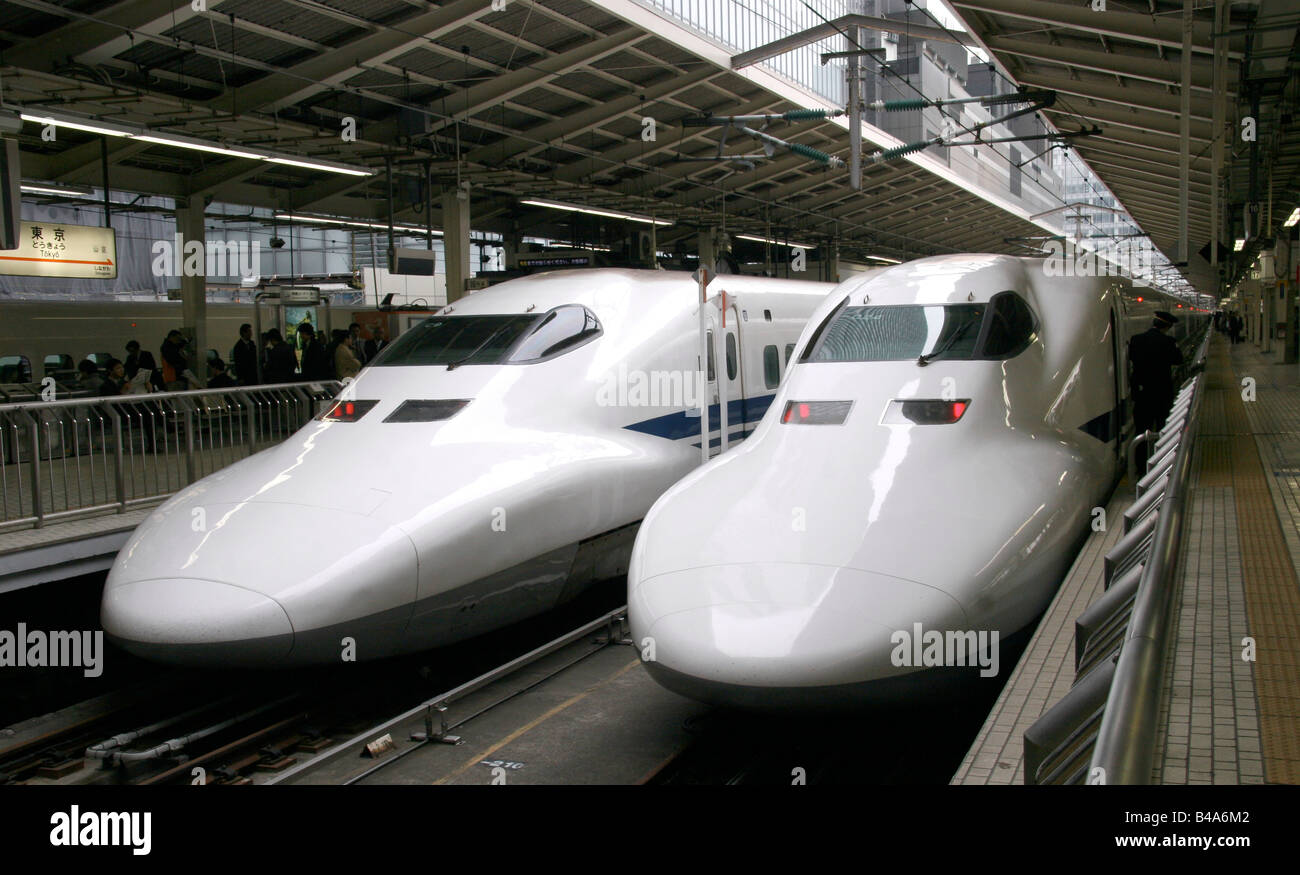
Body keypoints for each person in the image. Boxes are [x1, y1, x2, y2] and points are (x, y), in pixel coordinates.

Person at [1129, 311, 1183, 468]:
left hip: (1142, 393)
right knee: (1161, 427)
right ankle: (1161, 462)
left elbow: (1133, 359)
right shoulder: (1168, 341)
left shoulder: (1136, 340)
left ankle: (1139, 467)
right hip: (1162, 392)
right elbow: (1178, 360)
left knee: (1141, 429)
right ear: (1168, 326)